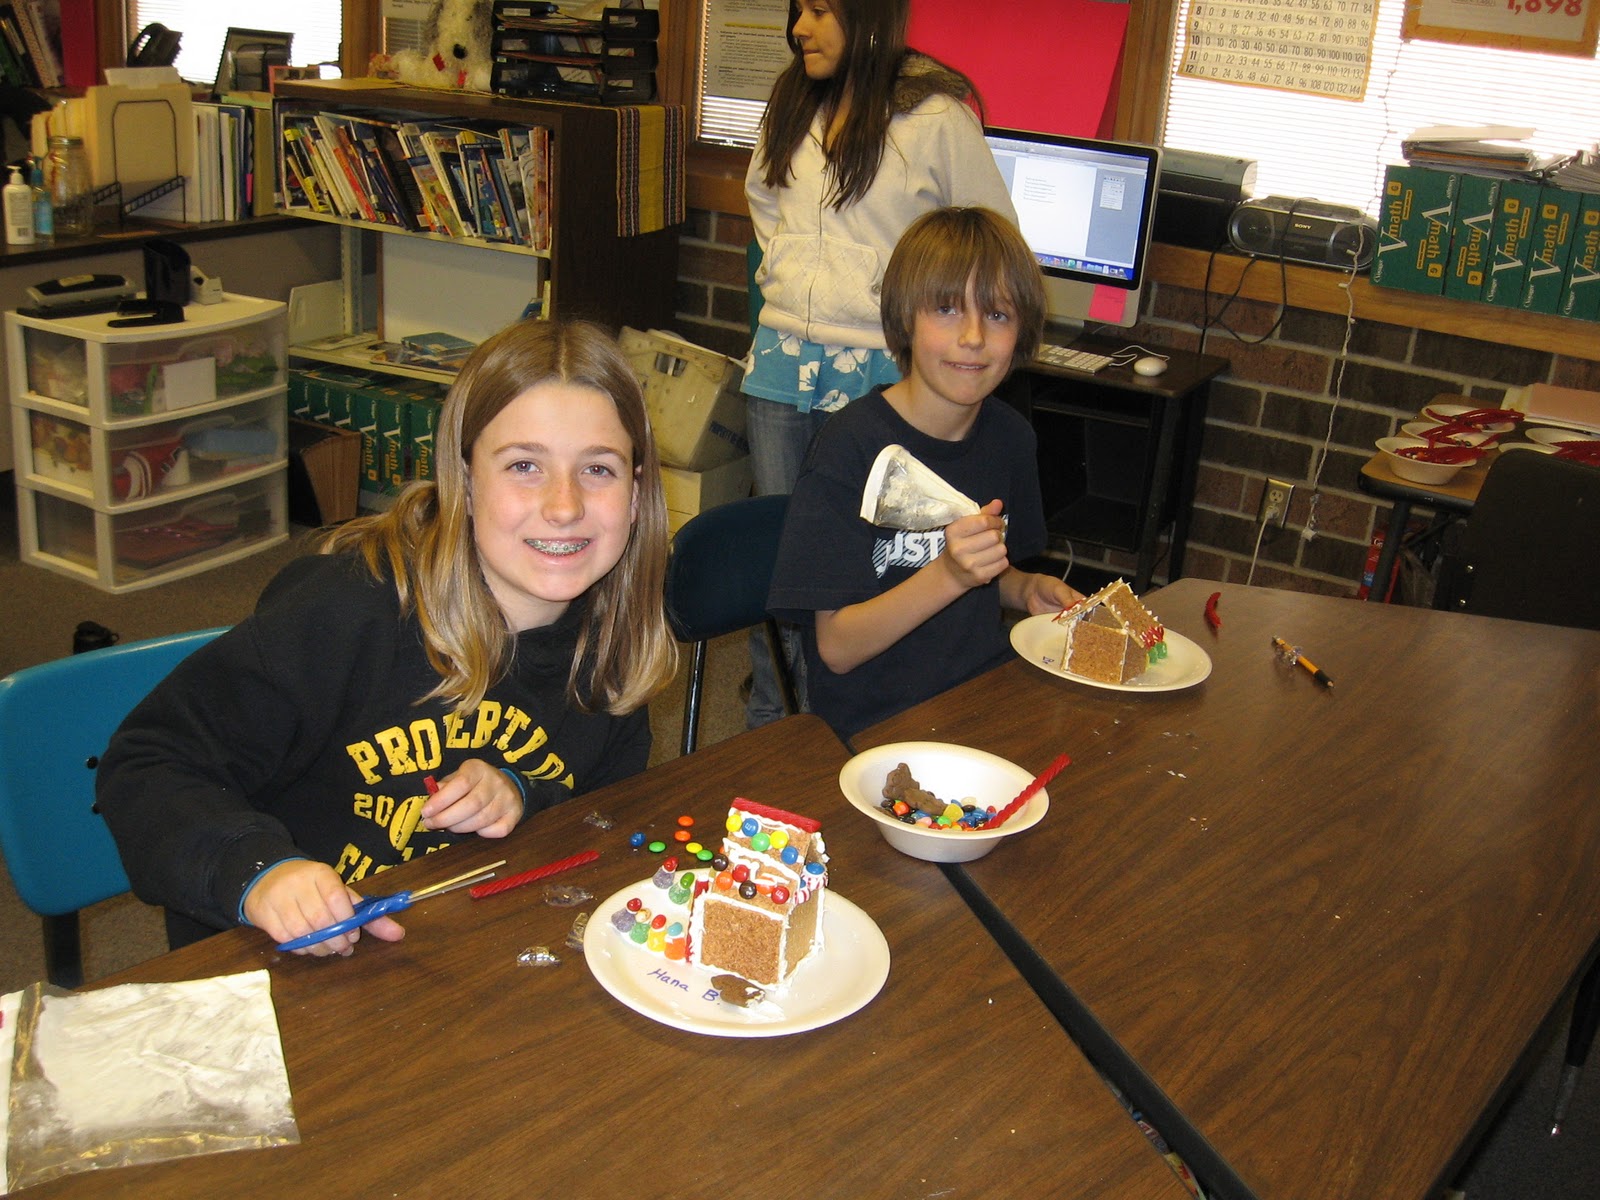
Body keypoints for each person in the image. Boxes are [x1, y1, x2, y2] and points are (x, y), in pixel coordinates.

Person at [97, 319, 678, 956]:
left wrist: (523, 790)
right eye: (524, 465)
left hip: (453, 954)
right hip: (277, 965)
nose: (564, 505)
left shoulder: (614, 645)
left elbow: (597, 815)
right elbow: (147, 764)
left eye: (598, 469)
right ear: (464, 475)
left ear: (636, 491)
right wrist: (260, 874)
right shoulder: (347, 611)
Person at [741, 0, 1019, 727]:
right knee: (786, 572)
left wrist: (877, 297)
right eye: (798, 10)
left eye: (822, 10)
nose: (801, 28)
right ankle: (776, 729)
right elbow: (766, 205)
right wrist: (795, 276)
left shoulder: (933, 118)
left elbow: (991, 241)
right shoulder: (792, 101)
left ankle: (852, 723)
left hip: (878, 371)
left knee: (868, 570)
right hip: (783, 366)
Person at [767, 206, 1084, 739]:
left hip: (980, 702)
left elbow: (989, 578)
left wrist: (1024, 588)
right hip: (871, 729)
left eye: (999, 315)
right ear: (906, 319)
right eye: (947, 310)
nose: (974, 337)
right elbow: (837, 648)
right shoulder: (849, 447)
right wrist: (949, 576)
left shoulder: (1010, 439)